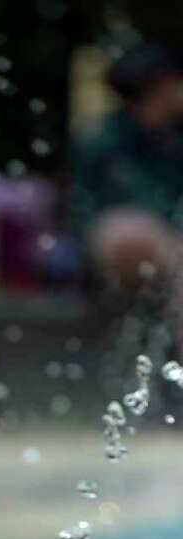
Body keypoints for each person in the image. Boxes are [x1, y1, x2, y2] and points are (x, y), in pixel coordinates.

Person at [71, 43, 183, 327]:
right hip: (124, 245)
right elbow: (95, 216)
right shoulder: (105, 142)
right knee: (131, 231)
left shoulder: (173, 135)